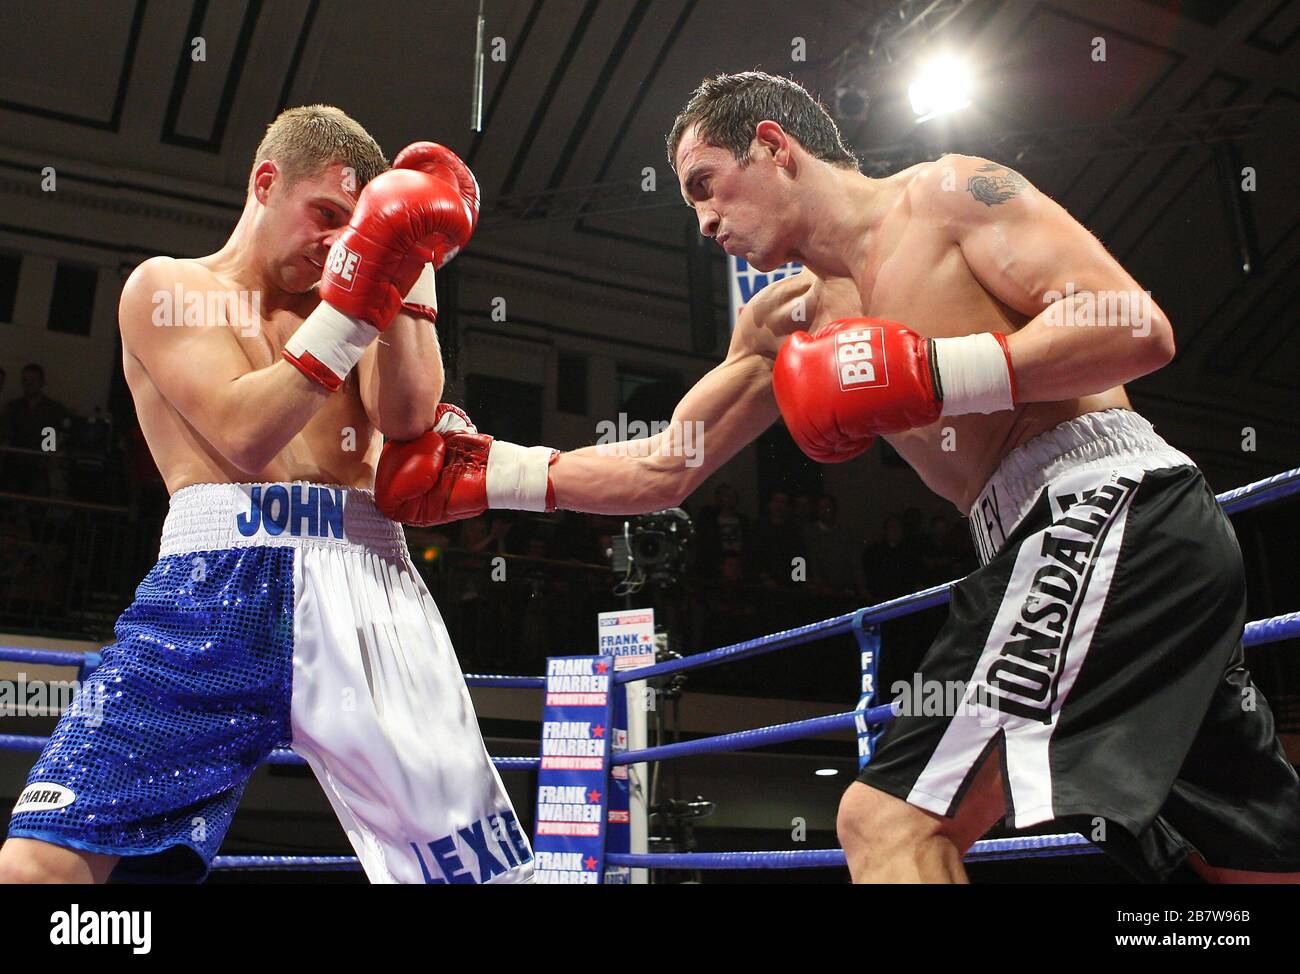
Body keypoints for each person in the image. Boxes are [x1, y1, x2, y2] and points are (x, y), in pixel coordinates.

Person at [373, 71, 1300, 884]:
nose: (703, 223)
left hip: (1105, 503)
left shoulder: (945, 196)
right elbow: (665, 467)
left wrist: (935, 372)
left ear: (773, 146)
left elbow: (1138, 327)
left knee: (887, 820)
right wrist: (491, 471)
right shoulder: (793, 323)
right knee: (1243, 856)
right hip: (1080, 542)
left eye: (707, 185)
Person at [0, 106, 535, 884]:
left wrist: (408, 267)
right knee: (39, 867)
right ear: (265, 181)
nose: (335, 242)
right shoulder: (171, 287)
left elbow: (408, 418)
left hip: (368, 587)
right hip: (212, 589)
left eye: (356, 228)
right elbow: (243, 431)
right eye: (324, 215)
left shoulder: (353, 301)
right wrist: (358, 298)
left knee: (478, 876)